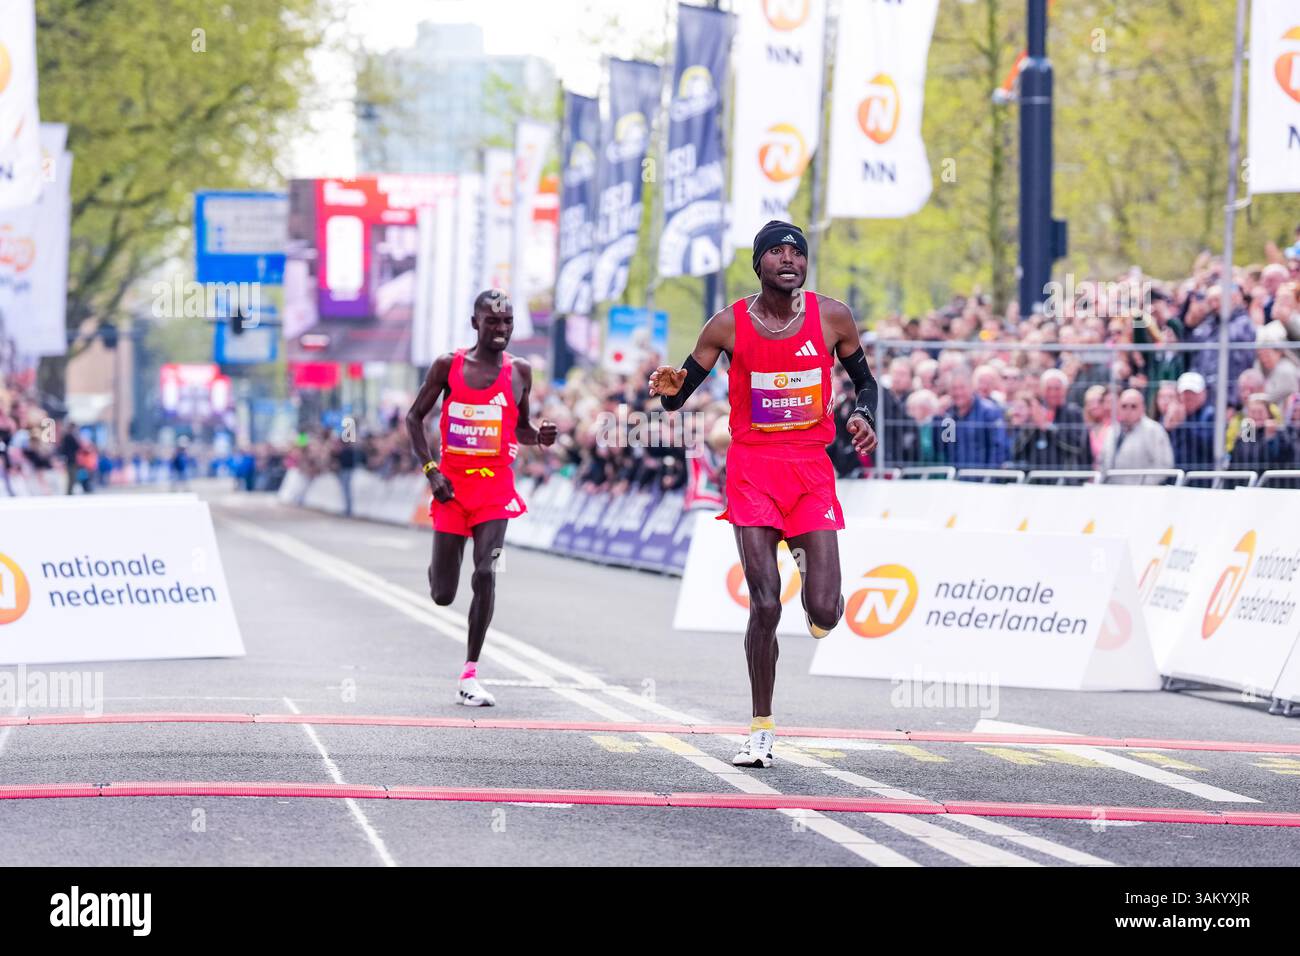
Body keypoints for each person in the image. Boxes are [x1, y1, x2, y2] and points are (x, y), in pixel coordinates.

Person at [648, 220, 879, 769]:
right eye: (775, 251)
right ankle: (761, 727)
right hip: (753, 472)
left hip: (810, 471)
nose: (788, 259)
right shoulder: (726, 325)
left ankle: (821, 591)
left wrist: (865, 414)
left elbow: (866, 382)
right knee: (767, 602)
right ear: (759, 264)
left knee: (823, 612)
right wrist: (670, 390)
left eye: (796, 252)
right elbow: (679, 394)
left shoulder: (834, 317)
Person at [405, 290, 557, 708]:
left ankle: (470, 673)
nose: (501, 329)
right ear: (475, 324)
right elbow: (414, 417)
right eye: (493, 322)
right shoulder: (448, 366)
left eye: (507, 322)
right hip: (451, 488)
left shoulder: (520, 372)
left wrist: (538, 437)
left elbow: (520, 429)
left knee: (487, 573)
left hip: (494, 488)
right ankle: (438, 568)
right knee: (443, 594)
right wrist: (430, 470)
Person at [1100, 388, 1174, 484]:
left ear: (1143, 408)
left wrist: (1143, 485)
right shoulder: (1112, 431)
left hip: (1142, 493)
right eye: (1124, 406)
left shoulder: (1153, 430)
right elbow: (1102, 461)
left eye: (1133, 406)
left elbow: (1164, 464)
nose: (1128, 410)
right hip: (1113, 491)